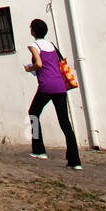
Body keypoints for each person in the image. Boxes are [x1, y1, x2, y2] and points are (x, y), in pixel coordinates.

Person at [24, 18, 82, 169]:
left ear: (33, 31)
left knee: (33, 112)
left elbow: (39, 64)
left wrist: (29, 68)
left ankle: (39, 149)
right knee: (65, 123)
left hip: (46, 85)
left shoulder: (34, 45)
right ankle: (75, 160)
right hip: (60, 86)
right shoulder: (52, 45)